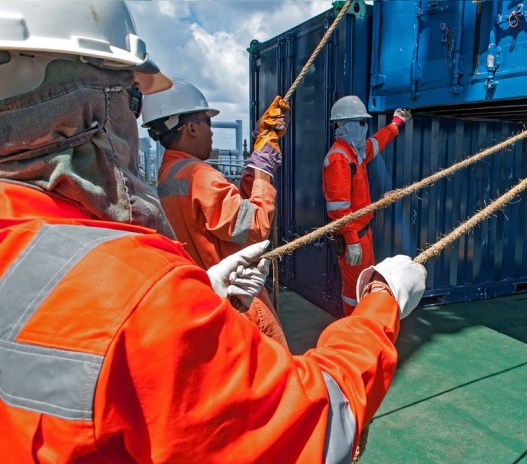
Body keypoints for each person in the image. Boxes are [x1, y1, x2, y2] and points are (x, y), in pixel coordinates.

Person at [0, 1, 428, 462]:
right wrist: (382, 300)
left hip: (210, 286)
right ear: (89, 100)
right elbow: (309, 422)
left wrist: (205, 280)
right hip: (242, 304)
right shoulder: (149, 273)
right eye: (130, 96)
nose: (209, 129)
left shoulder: (146, 184)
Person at [141, 78, 288, 347]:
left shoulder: (169, 174)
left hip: (208, 295)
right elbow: (254, 229)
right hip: (239, 301)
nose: (211, 131)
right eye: (207, 122)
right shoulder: (199, 175)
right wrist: (264, 171)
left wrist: (254, 166)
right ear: (191, 128)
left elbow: (232, 215)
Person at [322, 95, 412, 316]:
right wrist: (352, 241)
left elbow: (377, 141)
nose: (365, 127)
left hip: (363, 235)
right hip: (353, 237)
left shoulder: (355, 152)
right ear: (347, 125)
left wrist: (396, 123)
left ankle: (361, 325)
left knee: (363, 284)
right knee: (354, 291)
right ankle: (353, 331)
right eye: (361, 123)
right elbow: (339, 209)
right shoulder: (339, 158)